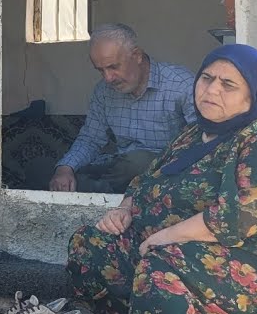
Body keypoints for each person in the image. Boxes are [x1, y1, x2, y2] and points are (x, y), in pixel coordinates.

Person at [65, 44, 257, 314]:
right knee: (91, 247)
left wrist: (167, 236)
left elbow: (245, 213)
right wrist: (125, 209)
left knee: (161, 265)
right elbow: (145, 182)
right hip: (175, 249)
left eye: (228, 84)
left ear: (254, 93)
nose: (211, 90)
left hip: (251, 261)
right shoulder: (194, 133)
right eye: (207, 78)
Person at [50, 24, 197, 193]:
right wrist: (65, 168)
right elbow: (91, 139)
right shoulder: (104, 91)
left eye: (113, 67)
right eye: (101, 70)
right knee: (49, 172)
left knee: (137, 162)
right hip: (118, 168)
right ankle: (104, 192)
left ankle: (102, 192)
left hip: (167, 172)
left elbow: (202, 138)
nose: (108, 78)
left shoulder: (180, 84)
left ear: (137, 56)